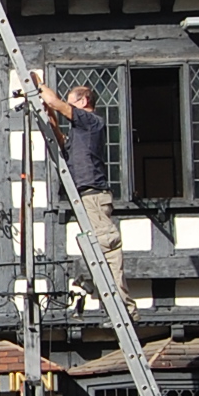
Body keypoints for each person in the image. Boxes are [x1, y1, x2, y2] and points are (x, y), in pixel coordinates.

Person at [32, 73, 126, 306]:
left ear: (83, 102)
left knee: (107, 249)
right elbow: (60, 139)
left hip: (94, 195)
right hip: (86, 196)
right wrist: (48, 113)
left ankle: (123, 307)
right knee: (96, 249)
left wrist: (38, 85)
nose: (69, 107)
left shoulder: (91, 121)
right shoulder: (80, 133)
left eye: (71, 101)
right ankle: (103, 292)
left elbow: (56, 103)